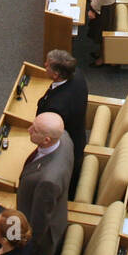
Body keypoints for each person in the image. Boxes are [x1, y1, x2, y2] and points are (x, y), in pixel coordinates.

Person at [17, 112, 74, 255]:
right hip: (53, 207)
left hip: (41, 231)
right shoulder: (64, 137)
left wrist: (24, 244)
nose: (29, 130)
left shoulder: (48, 180)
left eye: (35, 130)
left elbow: (39, 221)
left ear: (46, 140)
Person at [36, 50, 88, 199]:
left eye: (47, 66)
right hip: (78, 134)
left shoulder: (56, 107)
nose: (44, 65)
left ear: (56, 74)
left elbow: (48, 133)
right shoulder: (77, 74)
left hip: (65, 150)